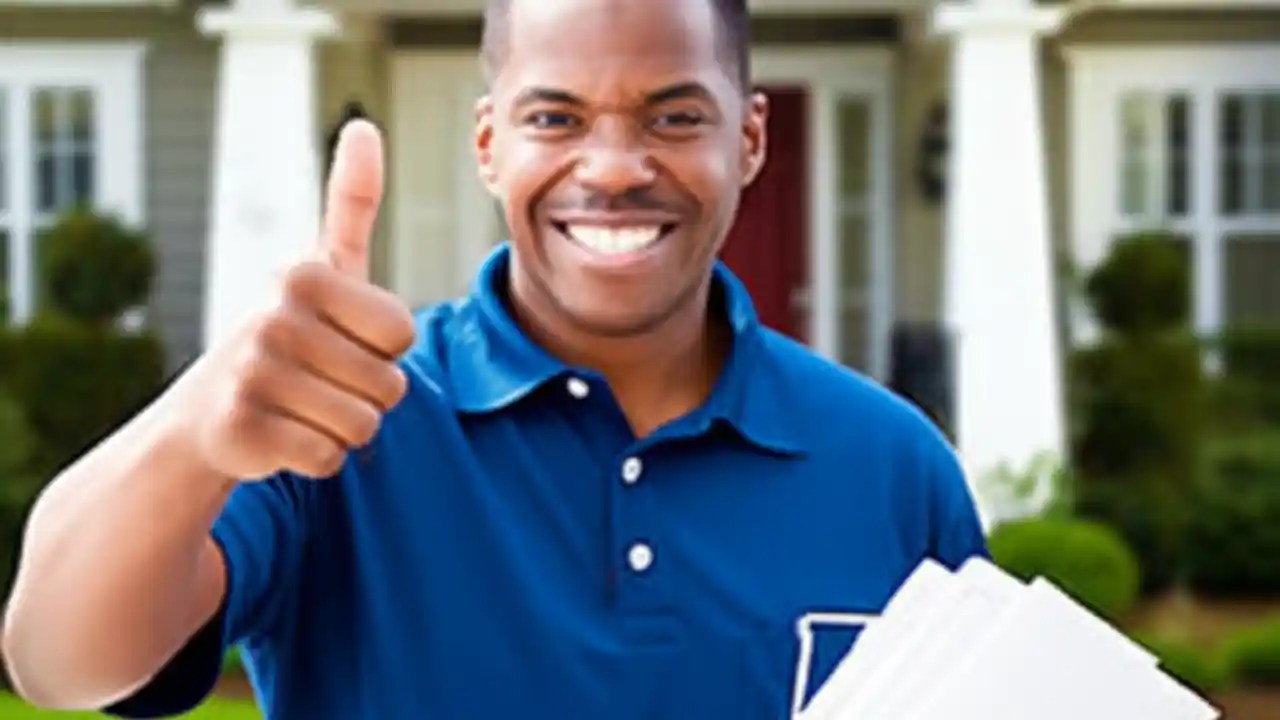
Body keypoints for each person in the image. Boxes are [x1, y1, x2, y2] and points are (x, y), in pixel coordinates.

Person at [0, 0, 989, 717]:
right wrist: (194, 431)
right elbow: (58, 663)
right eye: (555, 118)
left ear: (750, 139)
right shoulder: (341, 422)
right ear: (488, 143)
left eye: (675, 117)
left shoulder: (893, 466)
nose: (612, 168)